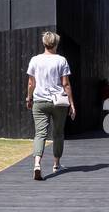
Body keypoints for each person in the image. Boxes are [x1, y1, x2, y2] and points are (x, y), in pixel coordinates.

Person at [26, 31, 76, 180]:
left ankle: (37, 164)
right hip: (59, 102)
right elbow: (66, 84)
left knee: (40, 134)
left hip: (40, 102)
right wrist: (72, 104)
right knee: (58, 133)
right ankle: (56, 164)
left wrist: (29, 98)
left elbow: (31, 83)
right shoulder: (61, 60)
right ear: (56, 44)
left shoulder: (35, 60)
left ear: (44, 43)